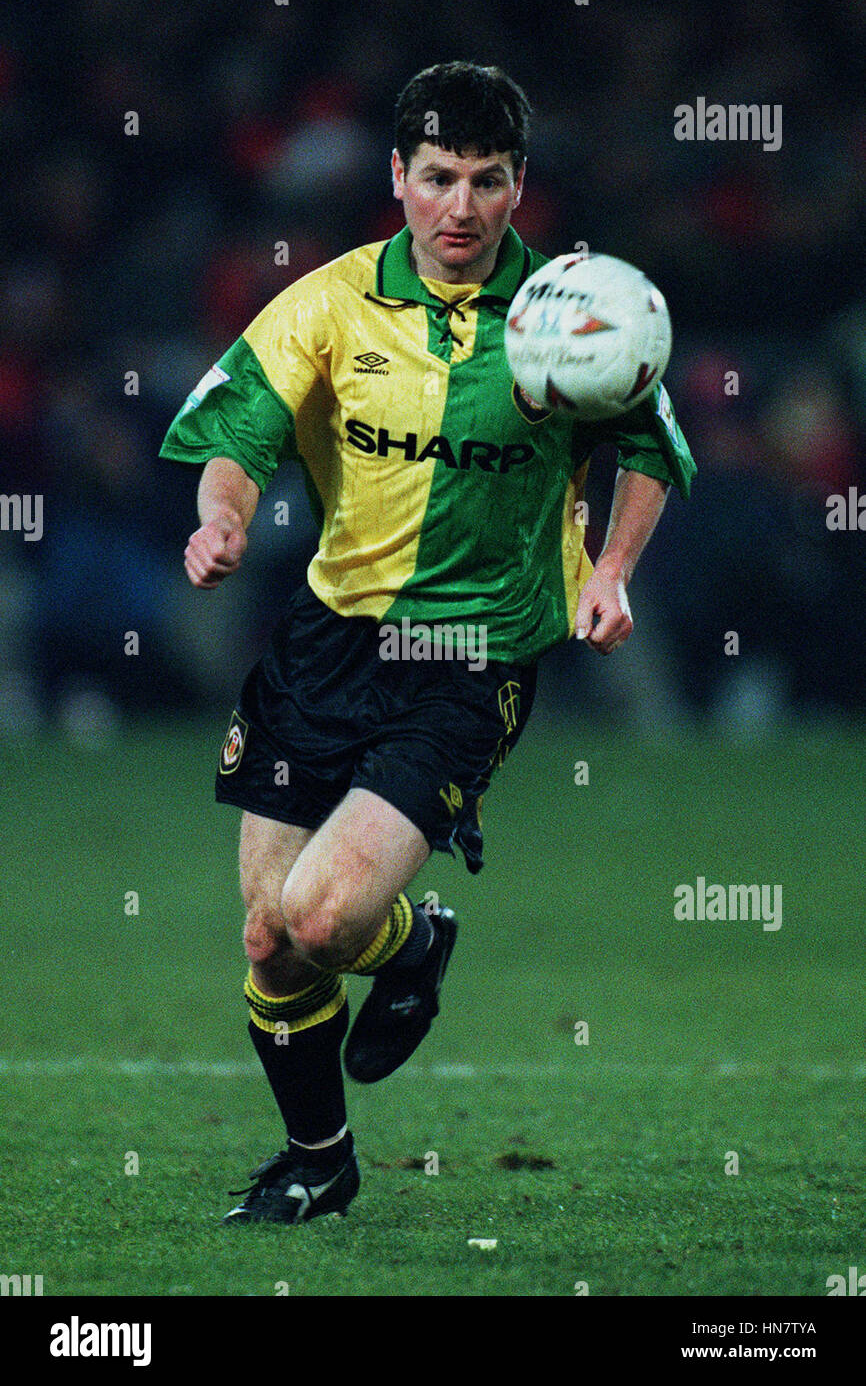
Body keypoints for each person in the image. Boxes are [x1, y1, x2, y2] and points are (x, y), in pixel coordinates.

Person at [160, 61, 695, 1225]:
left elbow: (648, 446)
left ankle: (402, 941)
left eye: (488, 181)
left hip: (467, 656)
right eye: (439, 178)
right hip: (323, 644)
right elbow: (239, 435)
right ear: (395, 177)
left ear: (519, 186)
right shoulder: (324, 305)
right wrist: (222, 519)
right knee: (268, 935)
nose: (461, 209)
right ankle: (319, 1157)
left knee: (319, 919)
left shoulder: (570, 312)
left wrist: (608, 572)